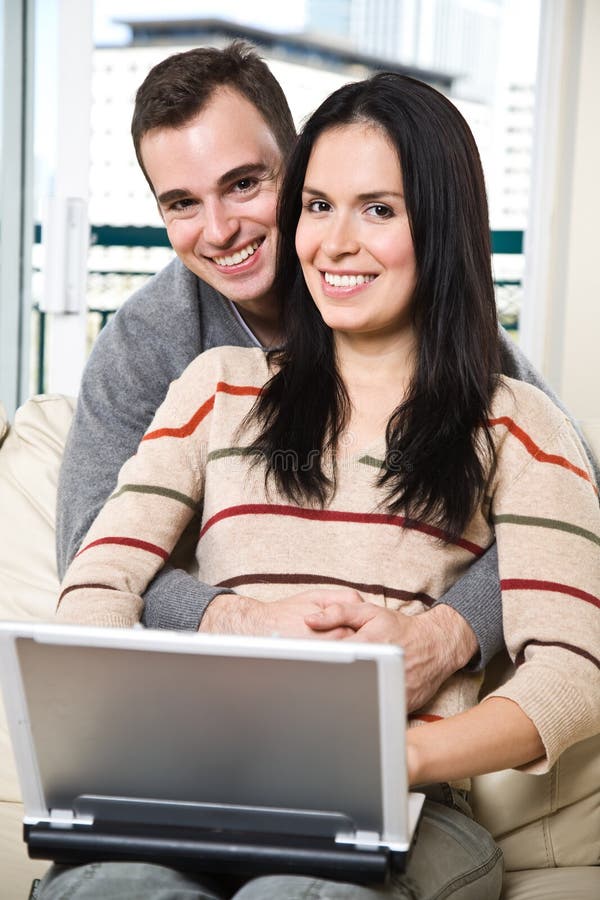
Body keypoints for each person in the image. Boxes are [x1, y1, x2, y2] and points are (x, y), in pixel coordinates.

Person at [49, 72, 600, 900]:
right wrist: (164, 704)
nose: (335, 242)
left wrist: (391, 747)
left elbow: (570, 670)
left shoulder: (515, 418)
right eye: (318, 206)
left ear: (441, 226)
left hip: (400, 803)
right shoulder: (212, 385)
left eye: (379, 209)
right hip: (196, 785)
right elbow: (94, 580)